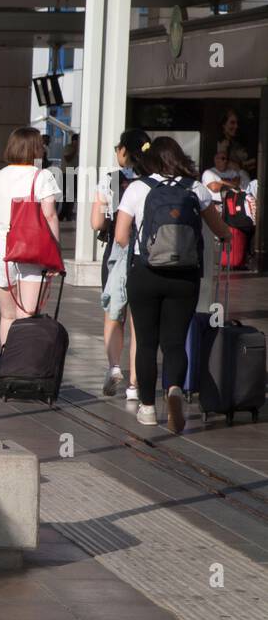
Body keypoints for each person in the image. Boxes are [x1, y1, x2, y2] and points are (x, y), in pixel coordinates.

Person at [114, 137, 233, 432]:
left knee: (145, 341)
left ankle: (147, 408)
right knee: (175, 341)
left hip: (145, 273)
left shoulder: (139, 188)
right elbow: (222, 231)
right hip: (184, 275)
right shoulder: (196, 189)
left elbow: (120, 236)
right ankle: (175, 388)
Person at [0, 126, 62, 347]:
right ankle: (25, 370)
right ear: (35, 149)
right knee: (27, 316)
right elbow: (50, 215)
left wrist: (0, 231)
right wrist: (55, 252)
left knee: (7, 315)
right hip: (32, 250)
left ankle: (7, 366)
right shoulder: (42, 176)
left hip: (1, 249)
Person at [90, 129, 148, 400]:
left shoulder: (110, 180)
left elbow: (97, 223)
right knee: (138, 320)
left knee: (114, 313)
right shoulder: (153, 182)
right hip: (145, 256)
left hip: (116, 252)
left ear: (124, 150)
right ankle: (135, 385)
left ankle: (114, 367)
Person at [215, 108, 255, 176]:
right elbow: (226, 165)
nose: (236, 126)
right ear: (224, 125)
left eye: (237, 123)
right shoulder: (223, 144)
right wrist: (245, 164)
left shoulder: (236, 143)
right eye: (232, 123)